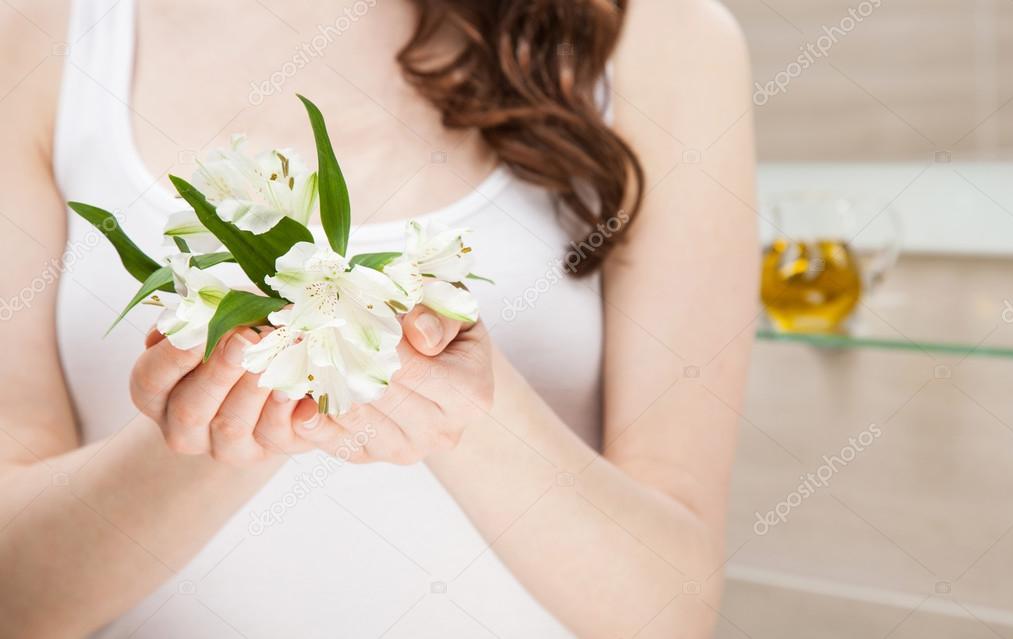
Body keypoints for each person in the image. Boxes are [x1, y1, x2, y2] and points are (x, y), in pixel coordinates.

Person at [0, 0, 757, 636]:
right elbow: (13, 593)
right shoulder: (37, 33)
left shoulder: (667, 39)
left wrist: (466, 413)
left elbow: (670, 607)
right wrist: (218, 427)